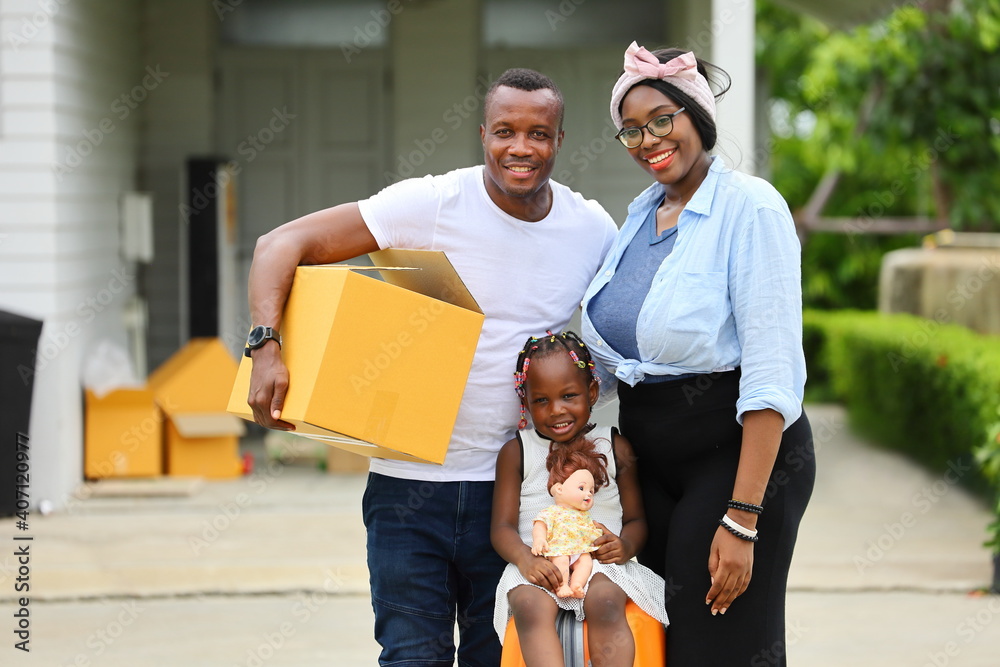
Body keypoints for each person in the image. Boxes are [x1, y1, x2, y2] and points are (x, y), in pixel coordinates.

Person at [244, 68, 618, 667]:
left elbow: (625, 329)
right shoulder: (433, 203)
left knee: (493, 658)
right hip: (407, 486)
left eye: (538, 134)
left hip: (515, 492)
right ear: (482, 135)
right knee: (410, 656)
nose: (520, 148)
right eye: (505, 131)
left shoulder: (591, 229)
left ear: (560, 140)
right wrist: (266, 346)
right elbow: (279, 245)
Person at [581, 42, 816, 665]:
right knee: (660, 641)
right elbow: (618, 355)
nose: (647, 139)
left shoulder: (751, 208)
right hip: (651, 467)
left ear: (698, 117)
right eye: (630, 130)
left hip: (735, 460)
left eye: (663, 119)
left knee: (720, 647)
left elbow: (772, 374)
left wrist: (743, 519)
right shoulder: (639, 217)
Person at [491, 331, 668, 667]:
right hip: (538, 565)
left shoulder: (615, 447)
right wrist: (526, 560)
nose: (556, 410)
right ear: (524, 401)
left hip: (602, 565)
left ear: (592, 392)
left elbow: (636, 520)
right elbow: (501, 527)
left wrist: (626, 546)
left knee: (604, 600)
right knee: (528, 606)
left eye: (569, 395)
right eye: (541, 400)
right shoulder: (517, 451)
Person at [531, 445, 608, 599]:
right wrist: (539, 540)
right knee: (562, 562)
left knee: (585, 563)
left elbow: (592, 531)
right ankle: (562, 585)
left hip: (580, 550)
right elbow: (540, 524)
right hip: (560, 549)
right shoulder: (552, 511)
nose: (588, 494)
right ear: (559, 489)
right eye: (582, 488)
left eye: (591, 491)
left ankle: (577, 584)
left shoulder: (584, 515)